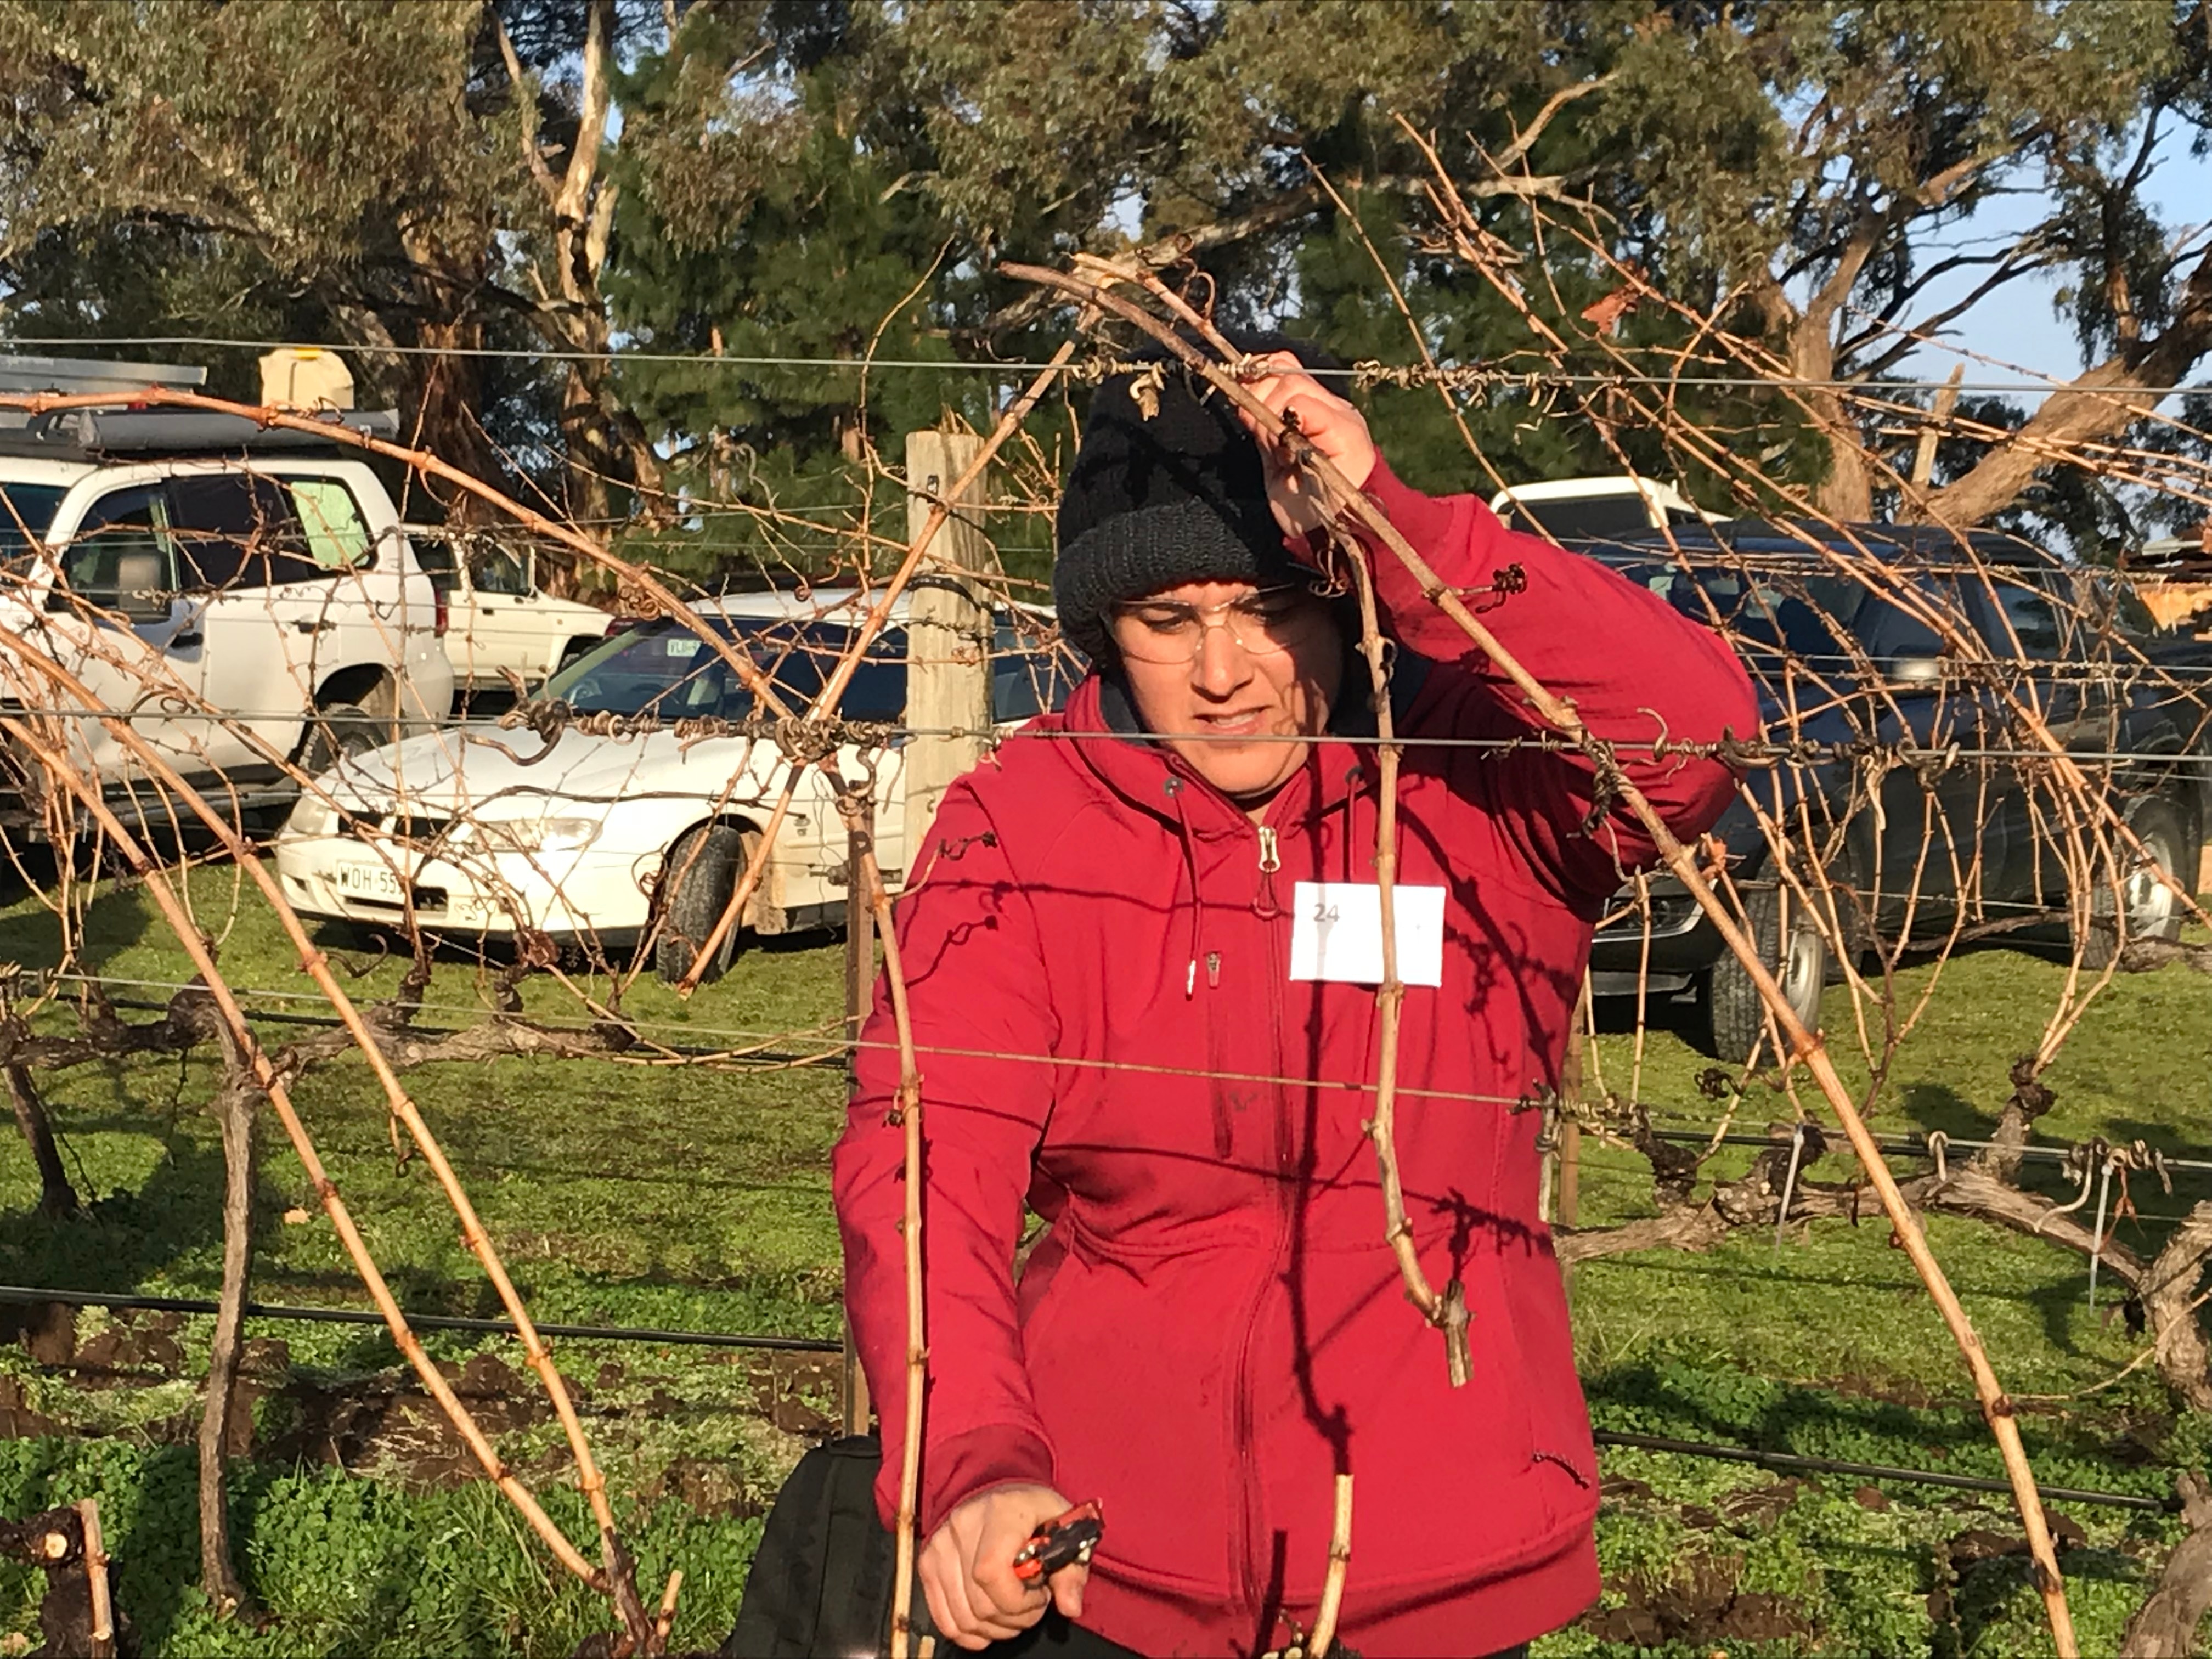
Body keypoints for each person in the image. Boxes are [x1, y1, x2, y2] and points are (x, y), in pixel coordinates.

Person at [834, 343, 1758, 1658]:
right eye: (1168, 624)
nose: (1227, 674)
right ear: (1107, 636)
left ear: (1344, 599)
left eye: (1271, 608)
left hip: (1443, 1557)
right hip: (1111, 1558)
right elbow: (927, 1159)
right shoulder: (1019, 828)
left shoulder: (1477, 778)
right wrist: (975, 1454)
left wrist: (1398, 523)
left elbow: (1698, 735)